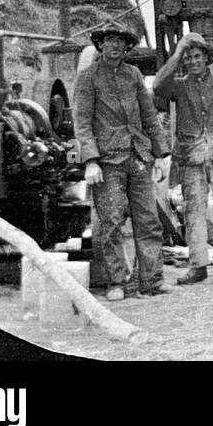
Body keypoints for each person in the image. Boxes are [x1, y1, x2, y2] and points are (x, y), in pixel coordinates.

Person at [72, 22, 170, 301]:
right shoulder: (88, 77)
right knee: (111, 222)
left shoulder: (133, 74)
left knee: (148, 220)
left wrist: (160, 155)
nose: (114, 45)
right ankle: (117, 282)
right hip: (108, 161)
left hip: (139, 157)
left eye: (120, 41)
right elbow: (82, 123)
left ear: (126, 46)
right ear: (100, 45)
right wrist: (90, 160)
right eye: (109, 40)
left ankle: (151, 280)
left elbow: (149, 116)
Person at [153, 32, 213, 286]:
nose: (193, 61)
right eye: (188, 58)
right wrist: (178, 52)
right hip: (191, 157)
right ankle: (198, 265)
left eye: (198, 56)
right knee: (193, 210)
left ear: (207, 58)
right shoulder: (179, 85)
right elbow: (158, 86)